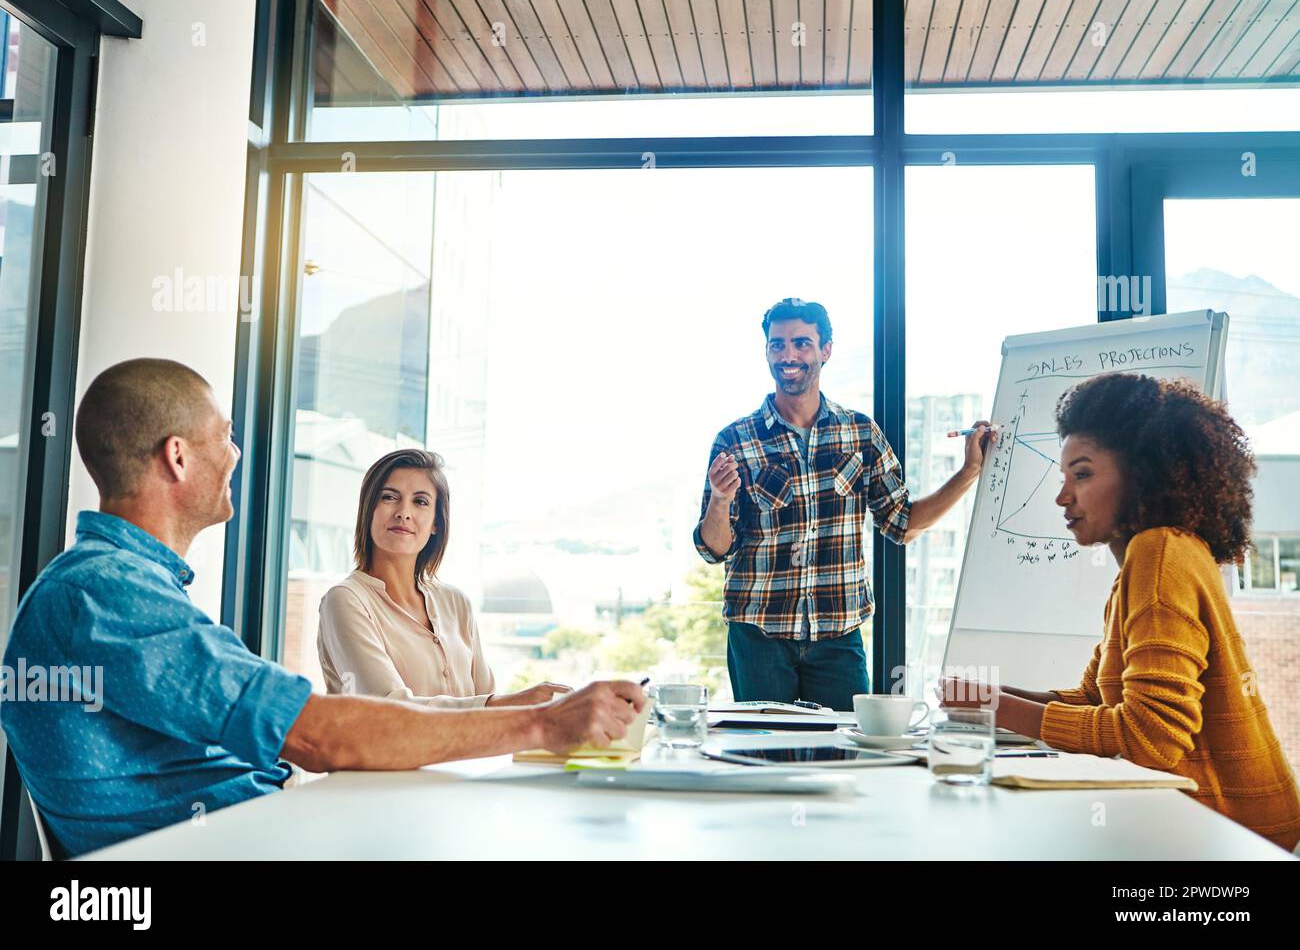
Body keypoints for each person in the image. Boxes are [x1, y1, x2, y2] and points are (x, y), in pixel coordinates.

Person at [0, 359, 642, 858]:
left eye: (422, 504)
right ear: (178, 455)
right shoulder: (104, 594)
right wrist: (542, 724)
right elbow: (316, 734)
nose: (236, 454)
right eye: (225, 437)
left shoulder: (119, 586)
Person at [940, 372, 1300, 852]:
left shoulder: (1160, 555)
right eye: (1064, 478)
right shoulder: (1144, 562)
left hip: (1235, 838)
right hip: (1203, 827)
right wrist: (989, 696)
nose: (1062, 497)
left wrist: (994, 707)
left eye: (1083, 474)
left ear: (1144, 471)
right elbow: (1095, 699)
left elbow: (1152, 738)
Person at [694, 298, 996, 710]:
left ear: (826, 350)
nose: (789, 355)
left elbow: (902, 524)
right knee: (765, 758)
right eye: (777, 345)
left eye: (802, 343)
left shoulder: (860, 433)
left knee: (843, 754)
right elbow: (714, 548)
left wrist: (969, 472)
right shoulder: (735, 439)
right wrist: (720, 500)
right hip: (759, 636)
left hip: (838, 634)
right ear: (766, 351)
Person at [318, 448, 568, 708]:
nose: (403, 512)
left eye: (420, 501)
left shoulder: (456, 603)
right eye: (389, 497)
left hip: (471, 752)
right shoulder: (346, 601)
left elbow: (488, 708)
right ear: (369, 510)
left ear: (436, 522)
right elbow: (390, 710)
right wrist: (511, 702)